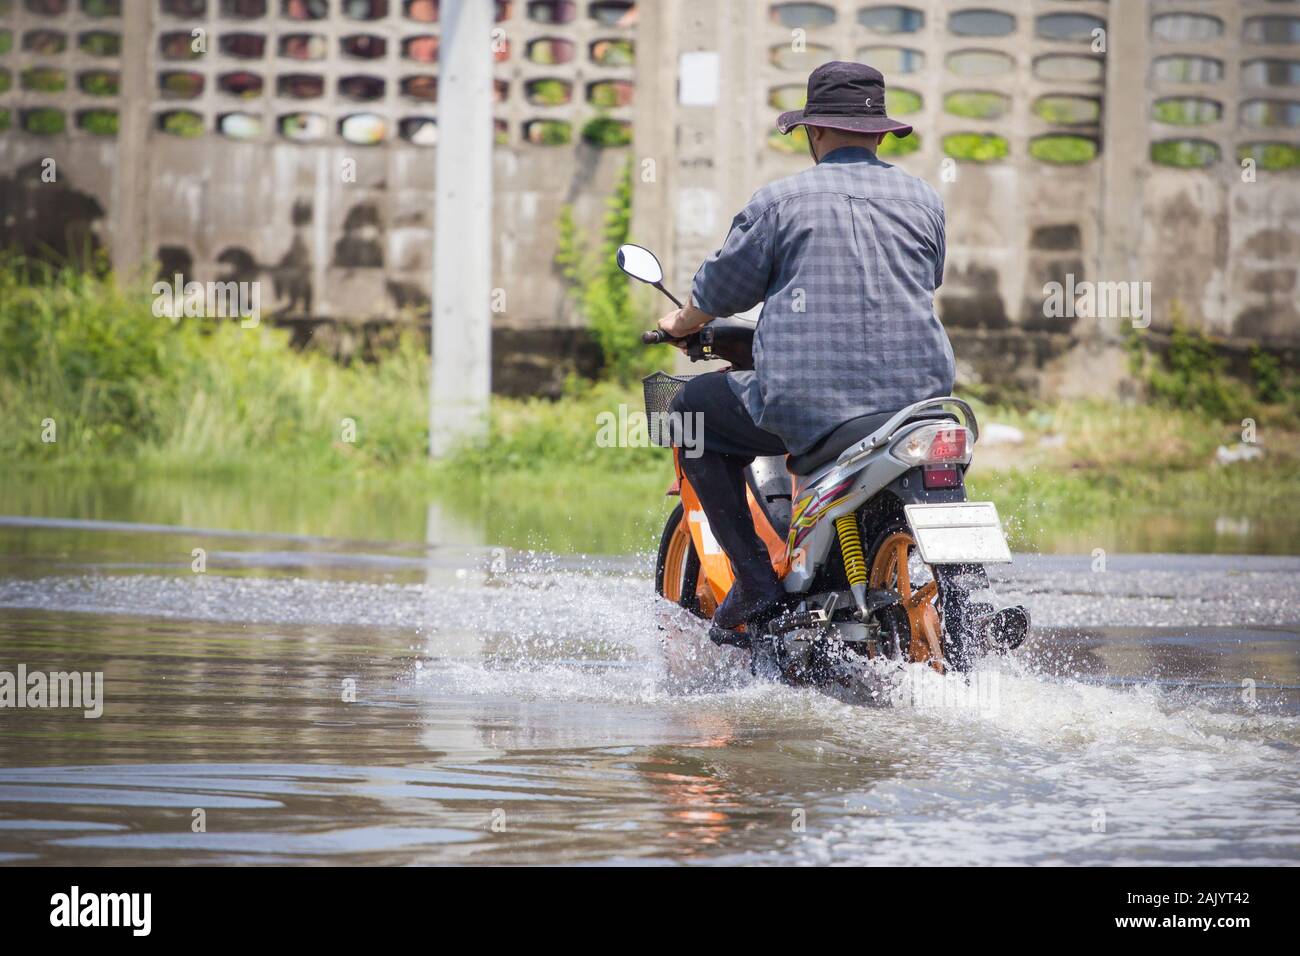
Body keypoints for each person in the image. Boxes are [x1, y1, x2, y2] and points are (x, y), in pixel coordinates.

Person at [661, 61, 956, 633]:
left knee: (689, 412)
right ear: (878, 134)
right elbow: (926, 279)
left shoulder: (779, 202)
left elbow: (720, 290)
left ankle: (754, 583)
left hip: (816, 406)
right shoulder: (925, 201)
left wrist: (681, 321)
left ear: (814, 132)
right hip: (920, 407)